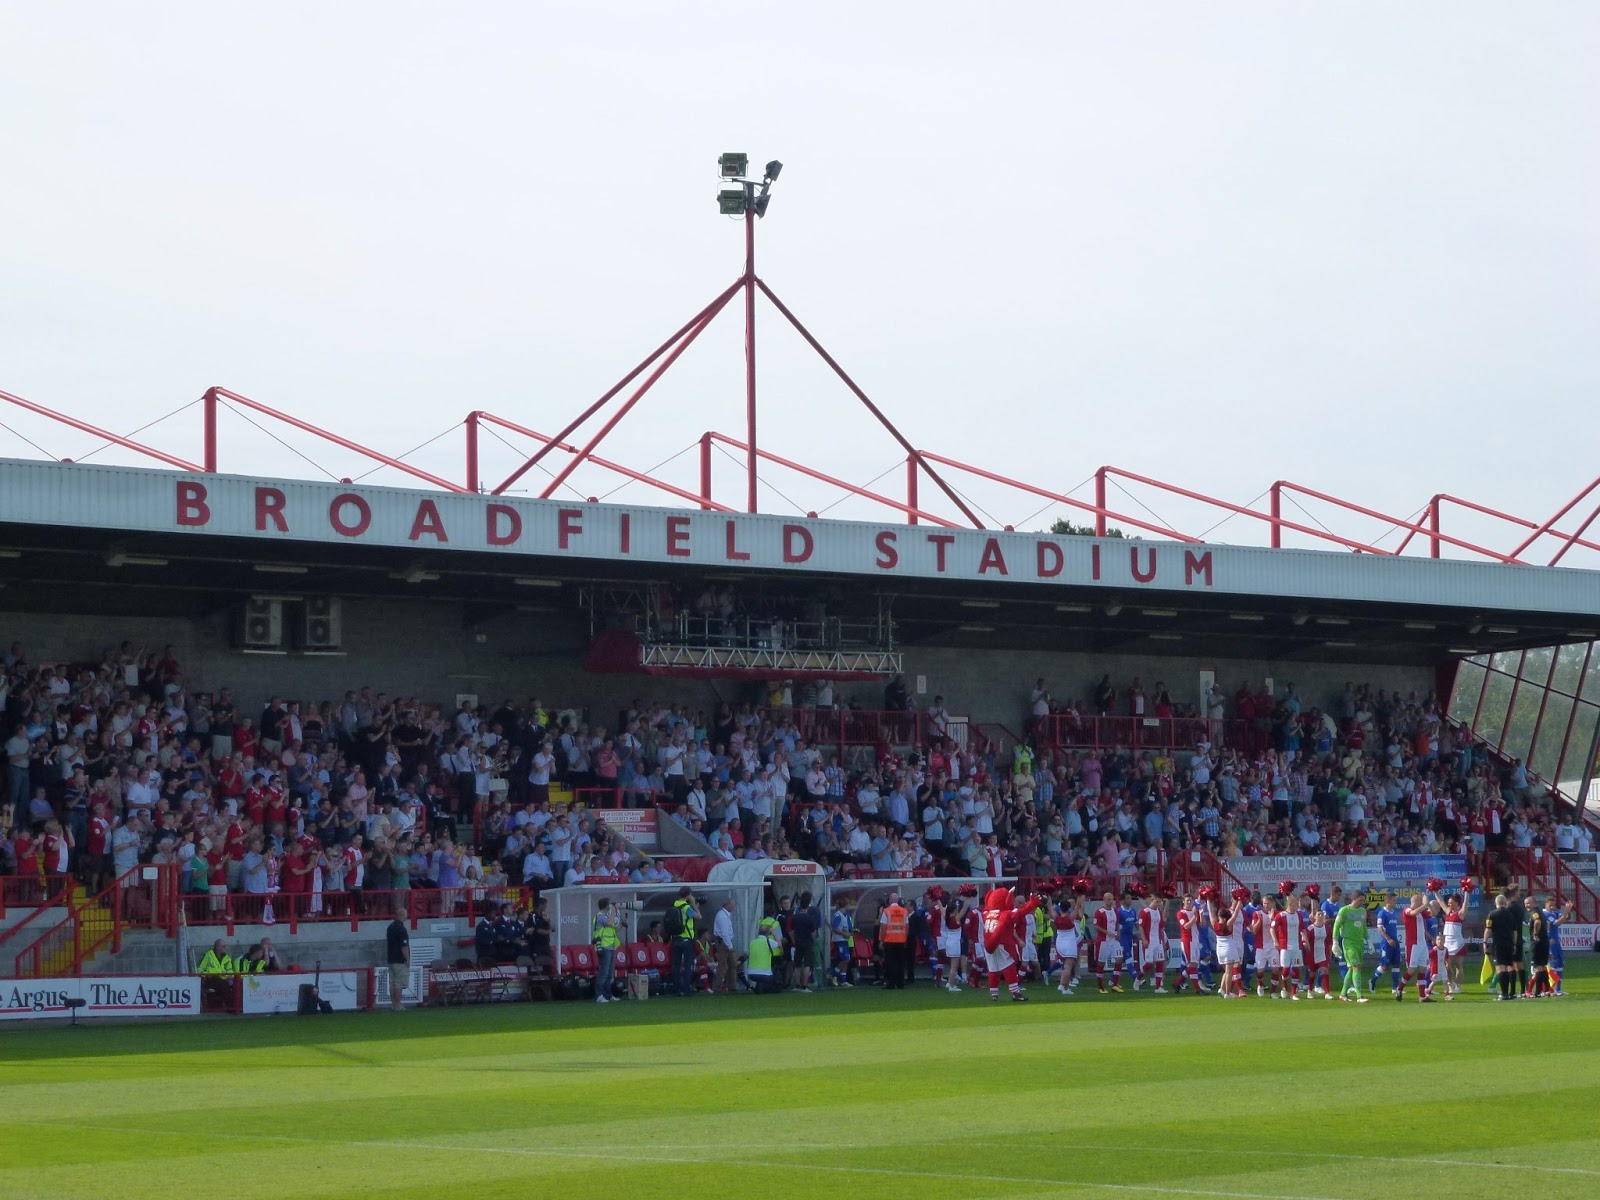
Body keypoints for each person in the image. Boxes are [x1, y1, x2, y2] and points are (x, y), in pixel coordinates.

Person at [979, 886, 1041, 1001]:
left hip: (989, 943)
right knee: (1009, 968)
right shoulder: (1005, 914)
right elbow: (1021, 911)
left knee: (993, 969)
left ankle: (994, 994)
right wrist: (1032, 903)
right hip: (1002, 943)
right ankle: (1015, 993)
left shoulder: (986, 913)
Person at [1333, 890, 1371, 1003]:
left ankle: (1342, 994)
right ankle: (1359, 996)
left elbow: (1363, 927)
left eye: (1363, 900)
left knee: (1351, 969)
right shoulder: (1344, 910)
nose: (1362, 902)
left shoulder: (1362, 911)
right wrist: (1335, 942)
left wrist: (1368, 940)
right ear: (1354, 899)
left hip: (1359, 943)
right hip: (1349, 943)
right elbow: (1336, 926)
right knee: (1356, 967)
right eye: (1360, 900)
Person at [1484, 891, 1523, 1001]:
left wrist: (1484, 942)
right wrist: (1514, 944)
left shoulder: (1492, 914)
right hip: (1510, 943)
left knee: (1500, 968)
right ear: (1505, 903)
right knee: (1509, 966)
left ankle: (1504, 994)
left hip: (1499, 944)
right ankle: (1511, 993)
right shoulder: (1511, 914)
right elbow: (1515, 932)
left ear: (1496, 903)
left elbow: (1488, 929)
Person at [667, 887, 699, 997]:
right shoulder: (686, 907)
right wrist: (694, 904)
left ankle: (676, 989)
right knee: (688, 964)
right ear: (689, 894)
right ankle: (686, 989)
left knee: (676, 965)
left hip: (675, 938)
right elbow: (698, 916)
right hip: (686, 938)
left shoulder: (673, 905)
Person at [592, 897, 621, 1003]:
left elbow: (614, 929)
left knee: (610, 973)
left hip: (612, 946)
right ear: (606, 905)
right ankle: (599, 995)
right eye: (610, 905)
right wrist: (614, 910)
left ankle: (608, 995)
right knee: (603, 972)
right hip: (604, 946)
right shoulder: (600, 916)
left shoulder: (608, 916)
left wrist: (622, 924)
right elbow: (609, 923)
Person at [879, 892, 910, 990]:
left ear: (890, 900)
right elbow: (907, 926)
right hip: (901, 940)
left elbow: (883, 927)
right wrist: (905, 938)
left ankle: (891, 984)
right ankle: (900, 983)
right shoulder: (904, 911)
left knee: (890, 963)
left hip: (889, 940)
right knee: (901, 963)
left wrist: (881, 940)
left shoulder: (886, 911)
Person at [747, 917, 783, 993]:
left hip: (751, 974)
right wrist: (774, 933)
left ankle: (760, 986)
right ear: (768, 933)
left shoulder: (753, 942)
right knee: (775, 984)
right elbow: (779, 944)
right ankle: (763, 988)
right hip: (765, 974)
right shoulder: (768, 941)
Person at [789, 891, 817, 993]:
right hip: (807, 942)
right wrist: (812, 940)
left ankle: (797, 984)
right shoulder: (810, 918)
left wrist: (794, 939)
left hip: (798, 942)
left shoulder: (795, 917)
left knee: (797, 964)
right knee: (807, 964)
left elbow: (791, 931)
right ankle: (804, 986)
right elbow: (813, 933)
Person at [386, 903, 410, 1011]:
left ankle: (393, 1004)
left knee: (392, 982)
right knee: (399, 983)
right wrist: (408, 959)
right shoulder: (401, 928)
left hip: (391, 958)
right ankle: (398, 1004)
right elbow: (404, 946)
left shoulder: (390, 927)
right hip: (400, 960)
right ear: (403, 915)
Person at [711, 897, 738, 994]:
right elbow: (725, 933)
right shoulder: (722, 916)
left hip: (725, 941)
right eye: (733, 904)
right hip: (724, 942)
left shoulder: (724, 915)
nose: (734, 906)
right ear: (728, 905)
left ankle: (732, 986)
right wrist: (730, 946)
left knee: (732, 964)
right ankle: (718, 987)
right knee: (723, 965)